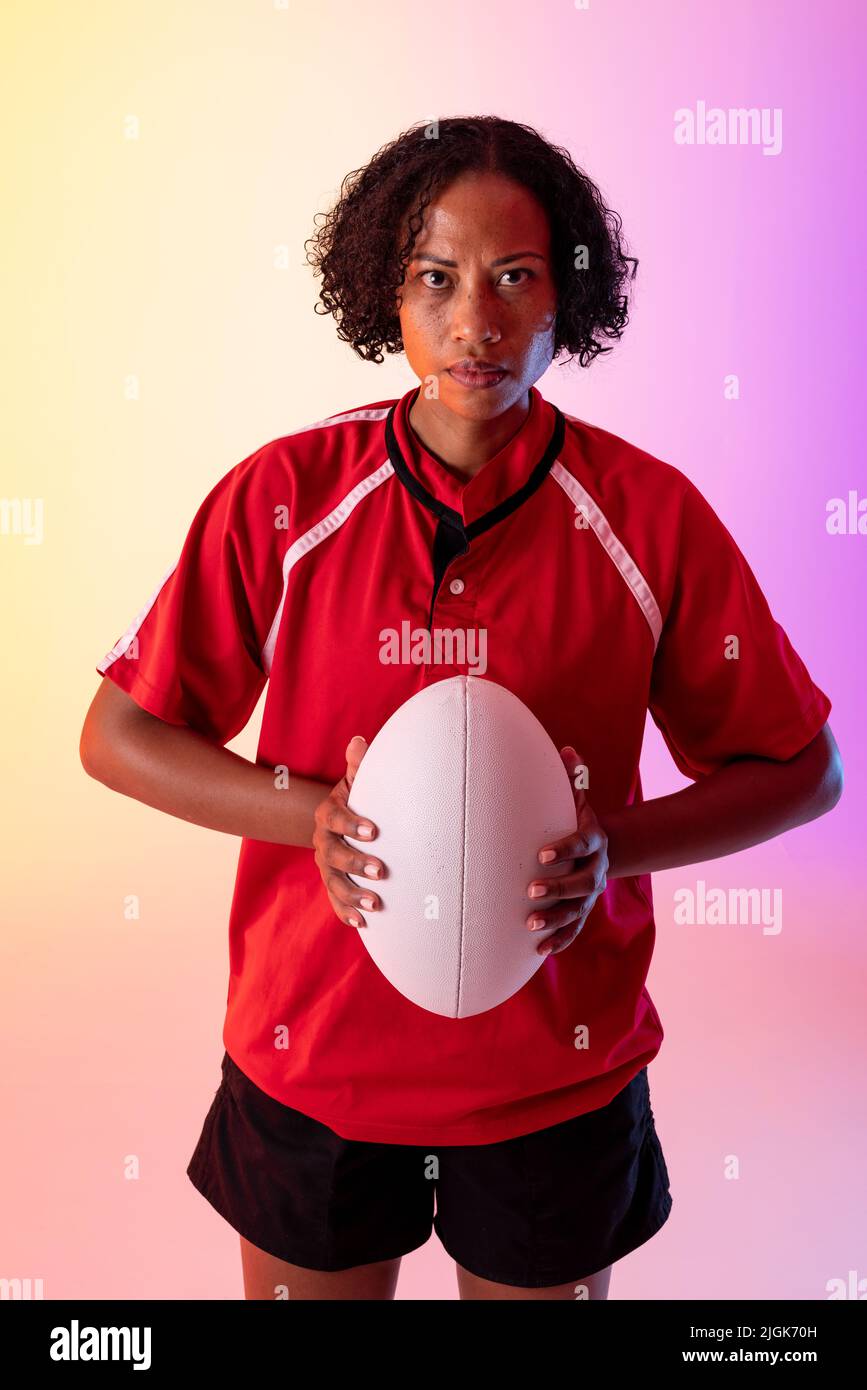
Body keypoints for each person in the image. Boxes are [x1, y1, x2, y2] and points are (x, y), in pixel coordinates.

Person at [79, 115, 842, 1301]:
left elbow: (806, 770)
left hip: (554, 1074)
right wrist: (310, 815)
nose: (474, 322)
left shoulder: (647, 517)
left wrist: (613, 848)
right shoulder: (286, 499)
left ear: (562, 302)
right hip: (312, 1058)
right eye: (435, 279)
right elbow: (117, 736)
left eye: (514, 279)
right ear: (386, 291)